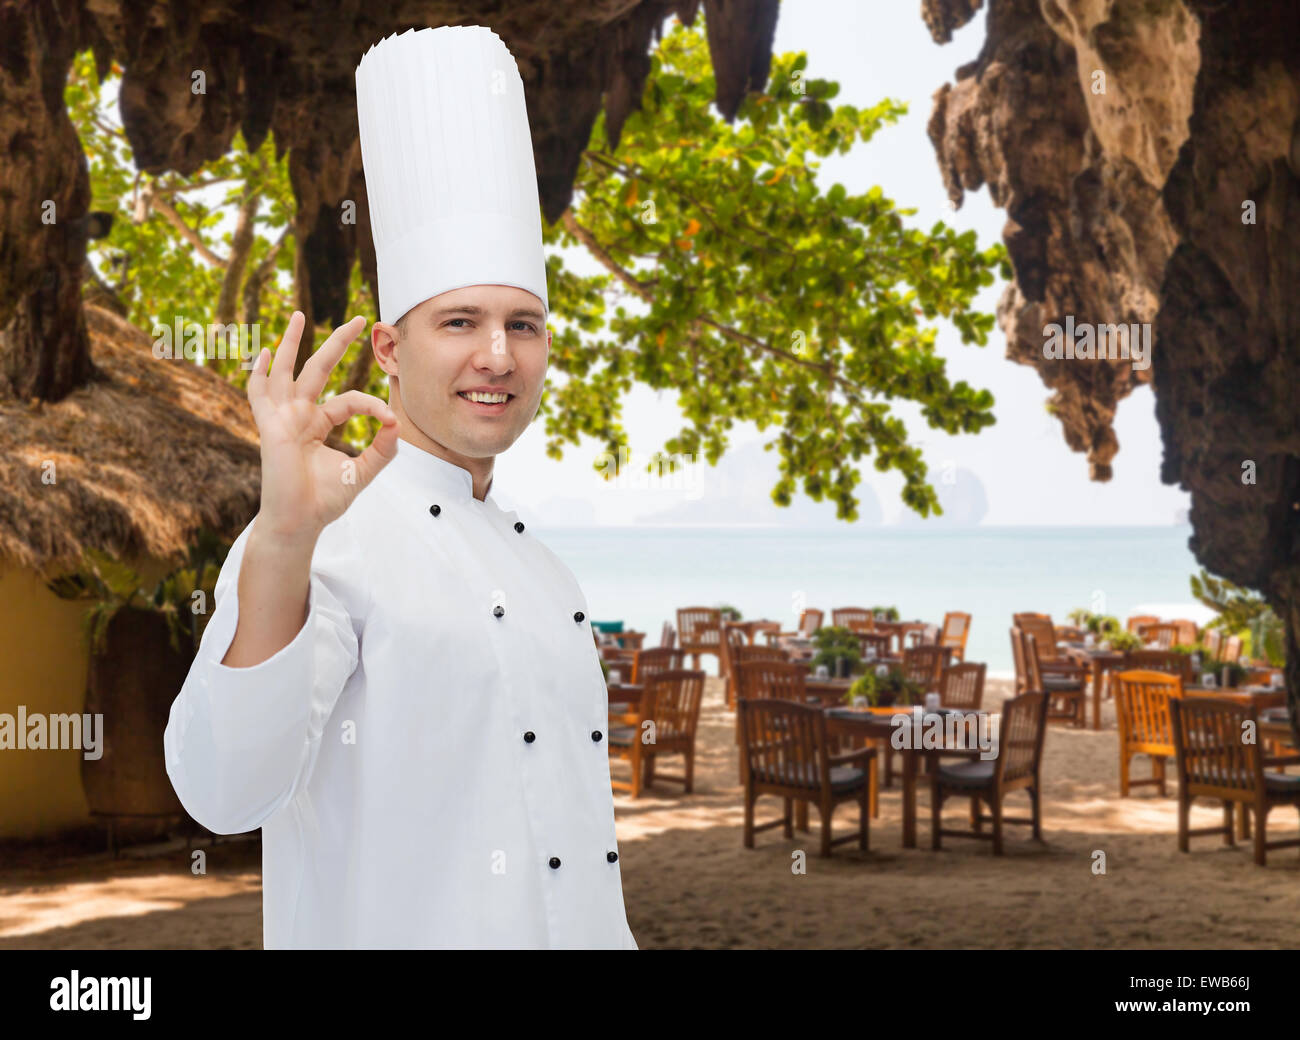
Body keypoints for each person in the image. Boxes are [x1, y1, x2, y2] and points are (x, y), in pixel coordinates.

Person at [164, 25, 637, 950]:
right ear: (388, 348)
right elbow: (224, 793)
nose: (497, 356)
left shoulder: (547, 575)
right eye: (459, 321)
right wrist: (284, 538)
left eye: (524, 325)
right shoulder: (325, 536)